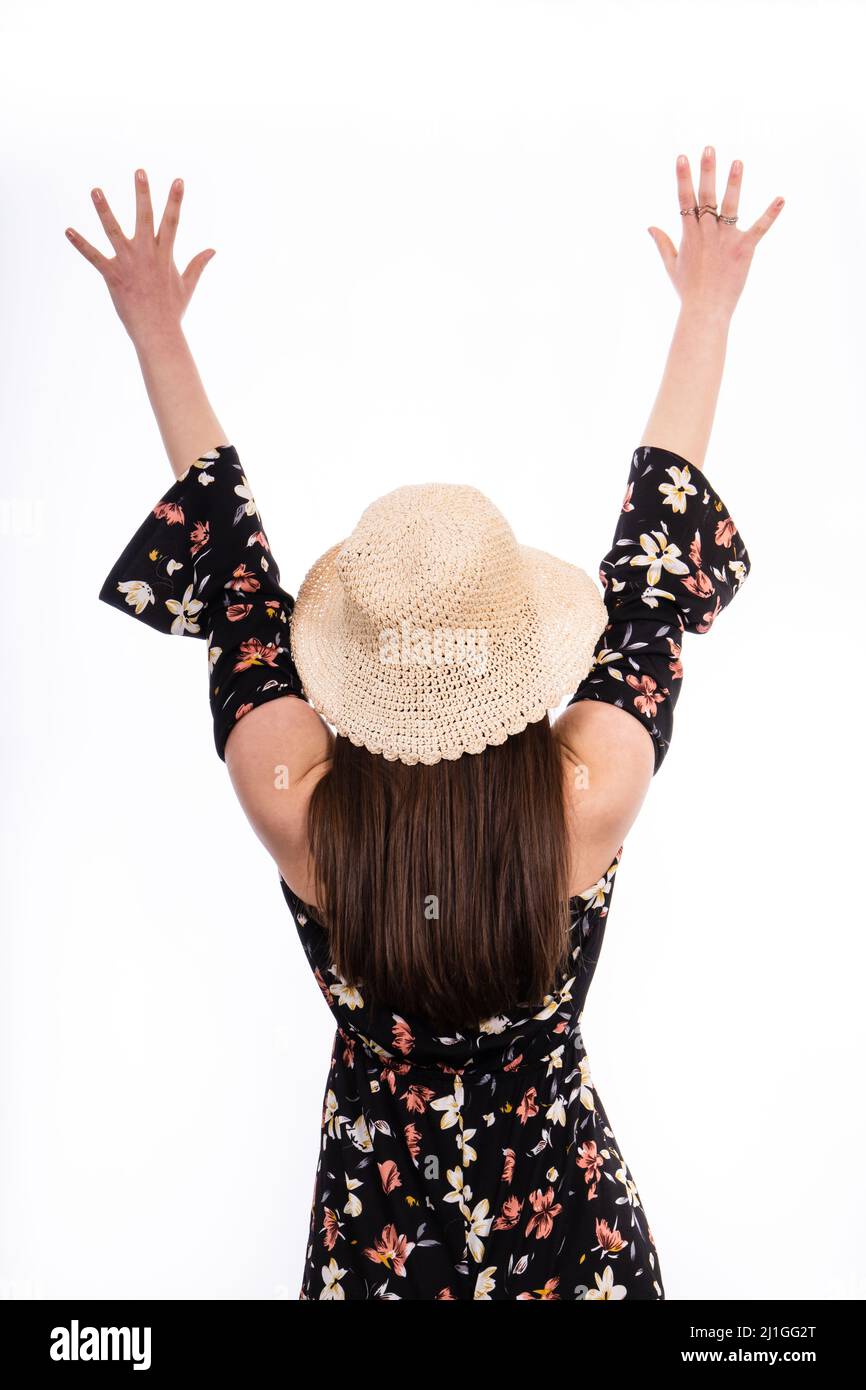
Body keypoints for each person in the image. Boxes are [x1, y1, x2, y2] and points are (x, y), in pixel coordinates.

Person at [66, 147, 782, 1300]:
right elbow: (651, 571)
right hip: (572, 1243)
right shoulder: (585, 799)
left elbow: (235, 585)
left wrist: (155, 327)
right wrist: (707, 305)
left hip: (375, 1251)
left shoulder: (298, 807)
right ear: (520, 657)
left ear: (352, 675)